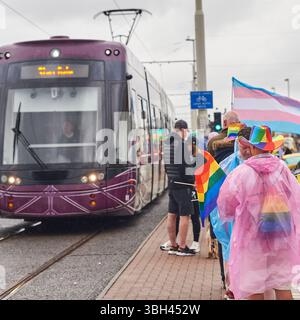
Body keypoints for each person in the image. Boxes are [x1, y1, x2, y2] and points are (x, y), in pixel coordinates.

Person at [217, 125, 300, 300]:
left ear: (252, 147)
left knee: (254, 288)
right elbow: (295, 197)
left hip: (252, 240)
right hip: (281, 237)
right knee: (283, 285)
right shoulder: (282, 168)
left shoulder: (241, 173)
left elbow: (225, 206)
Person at [210, 126, 252, 299]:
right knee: (235, 269)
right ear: (237, 145)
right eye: (244, 147)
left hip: (257, 232)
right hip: (234, 228)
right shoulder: (227, 166)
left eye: (250, 147)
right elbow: (219, 202)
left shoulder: (265, 166)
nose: (248, 151)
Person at [163, 119, 196, 256]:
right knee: (184, 216)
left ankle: (173, 245)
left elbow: (166, 166)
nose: (186, 134)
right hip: (183, 185)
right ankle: (182, 247)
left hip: (172, 184)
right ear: (182, 130)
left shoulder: (167, 144)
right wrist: (192, 181)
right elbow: (186, 167)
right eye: (186, 131)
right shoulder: (182, 145)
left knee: (172, 215)